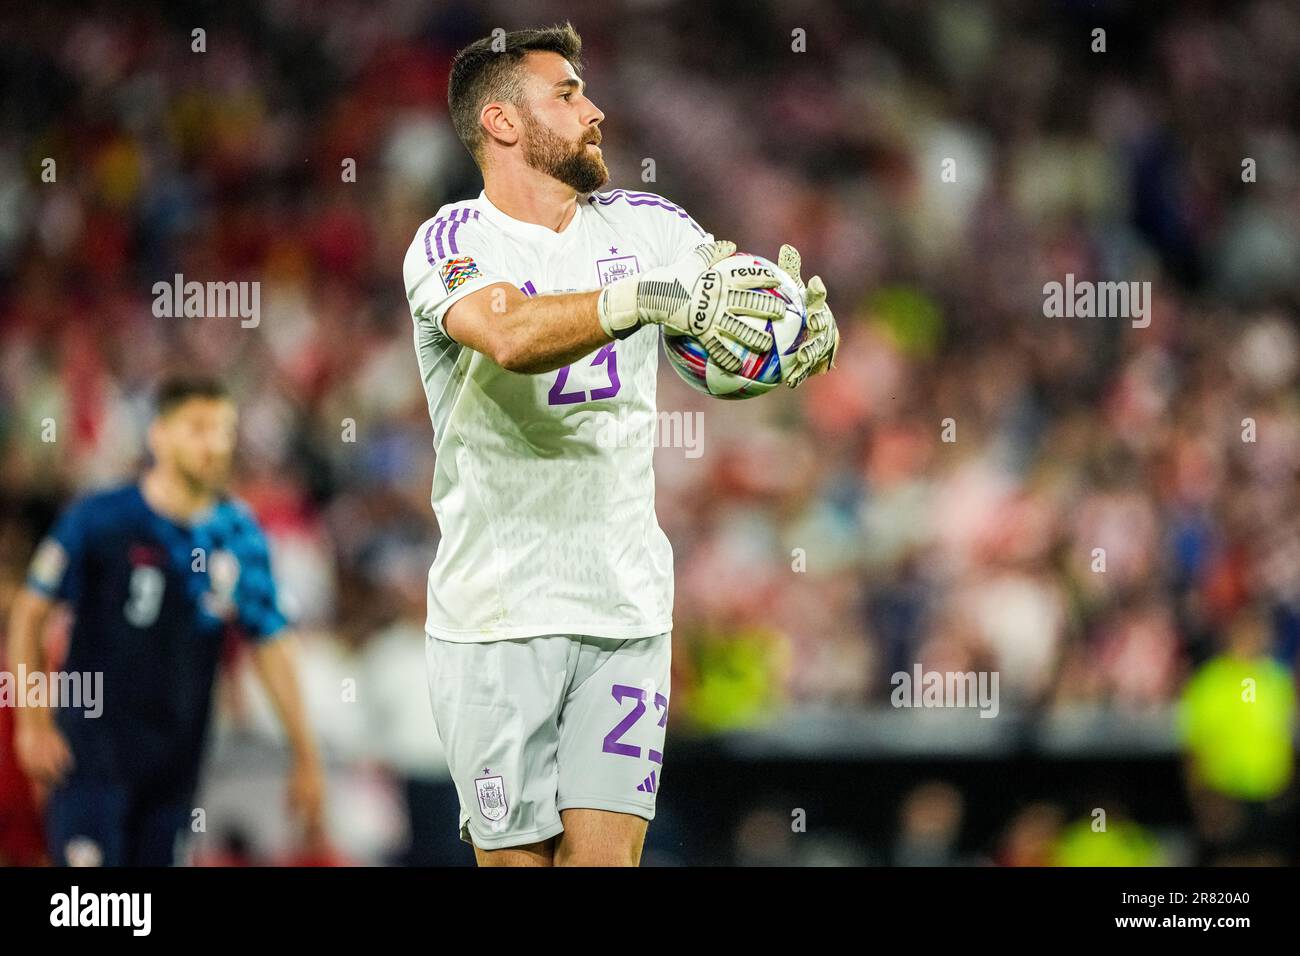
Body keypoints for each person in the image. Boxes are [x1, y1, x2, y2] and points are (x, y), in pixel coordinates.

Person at [401, 22, 839, 866]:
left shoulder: (649, 225)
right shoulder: (451, 241)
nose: (594, 111)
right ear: (500, 122)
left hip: (625, 612)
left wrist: (771, 351)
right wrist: (639, 297)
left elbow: (711, 331)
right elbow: (510, 335)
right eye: (567, 95)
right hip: (497, 618)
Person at [6, 375, 325, 866]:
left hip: (176, 770)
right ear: (159, 434)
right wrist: (31, 724)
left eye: (223, 429)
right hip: (91, 761)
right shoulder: (101, 519)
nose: (214, 444)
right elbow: (31, 613)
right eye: (198, 428)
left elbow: (271, 642)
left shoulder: (238, 536)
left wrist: (304, 753)